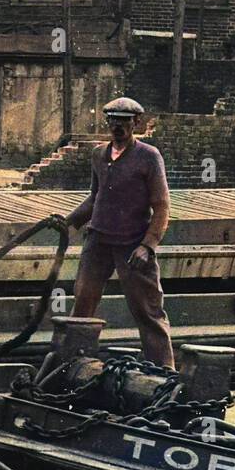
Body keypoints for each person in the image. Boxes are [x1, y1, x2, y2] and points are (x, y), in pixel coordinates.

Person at [65, 96, 175, 368]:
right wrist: (68, 222)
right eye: (113, 120)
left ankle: (165, 372)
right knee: (82, 304)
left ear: (136, 122)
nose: (118, 126)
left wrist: (148, 246)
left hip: (132, 244)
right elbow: (95, 197)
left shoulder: (149, 157)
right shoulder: (98, 155)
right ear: (107, 122)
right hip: (98, 242)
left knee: (148, 310)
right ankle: (73, 364)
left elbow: (162, 207)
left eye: (125, 121)